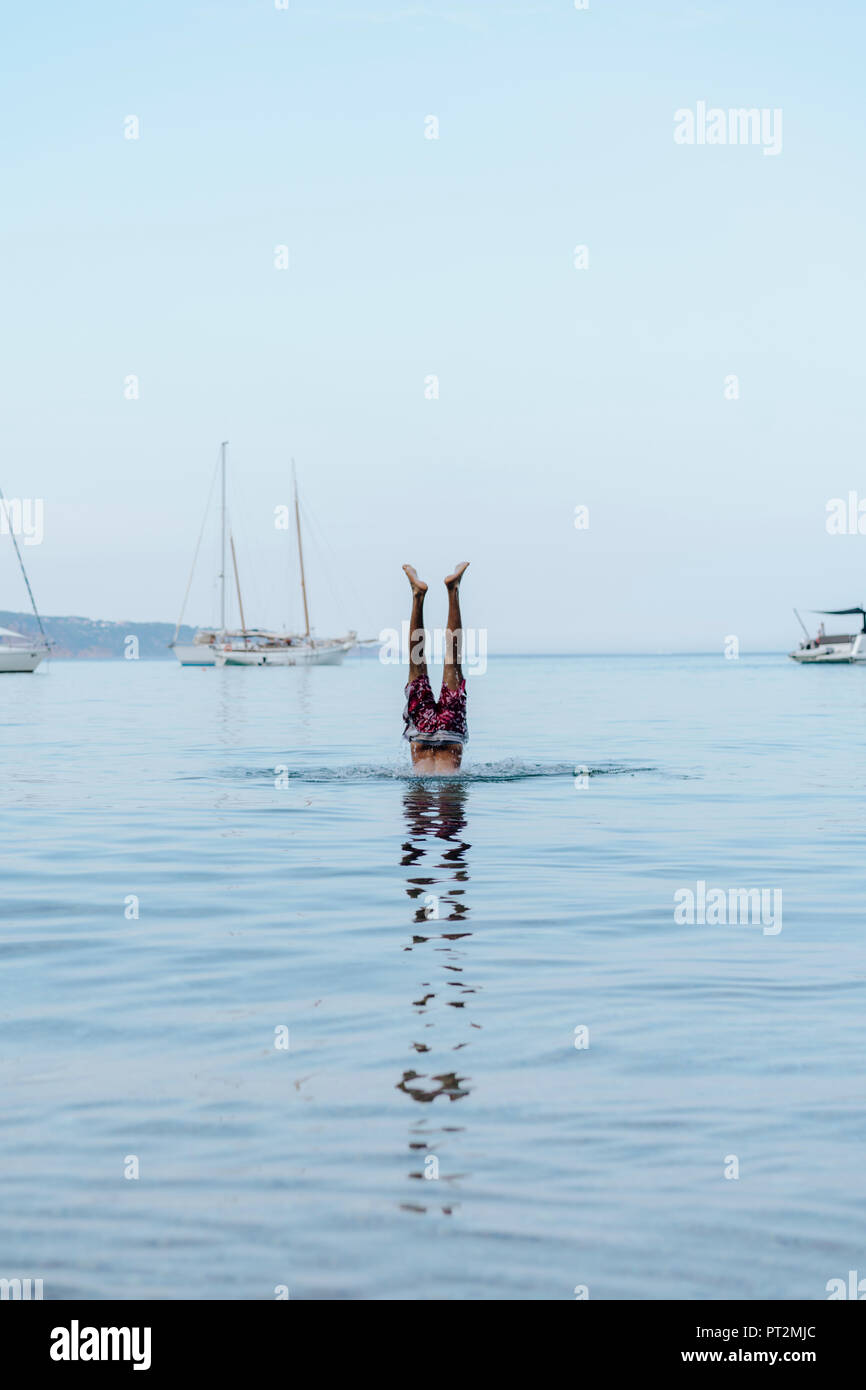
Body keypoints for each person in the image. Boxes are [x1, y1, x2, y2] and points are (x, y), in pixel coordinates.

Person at [402, 562, 469, 773]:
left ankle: (418, 595)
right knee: (420, 662)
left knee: (451, 659)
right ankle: (452, 590)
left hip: (426, 737)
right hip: (446, 737)